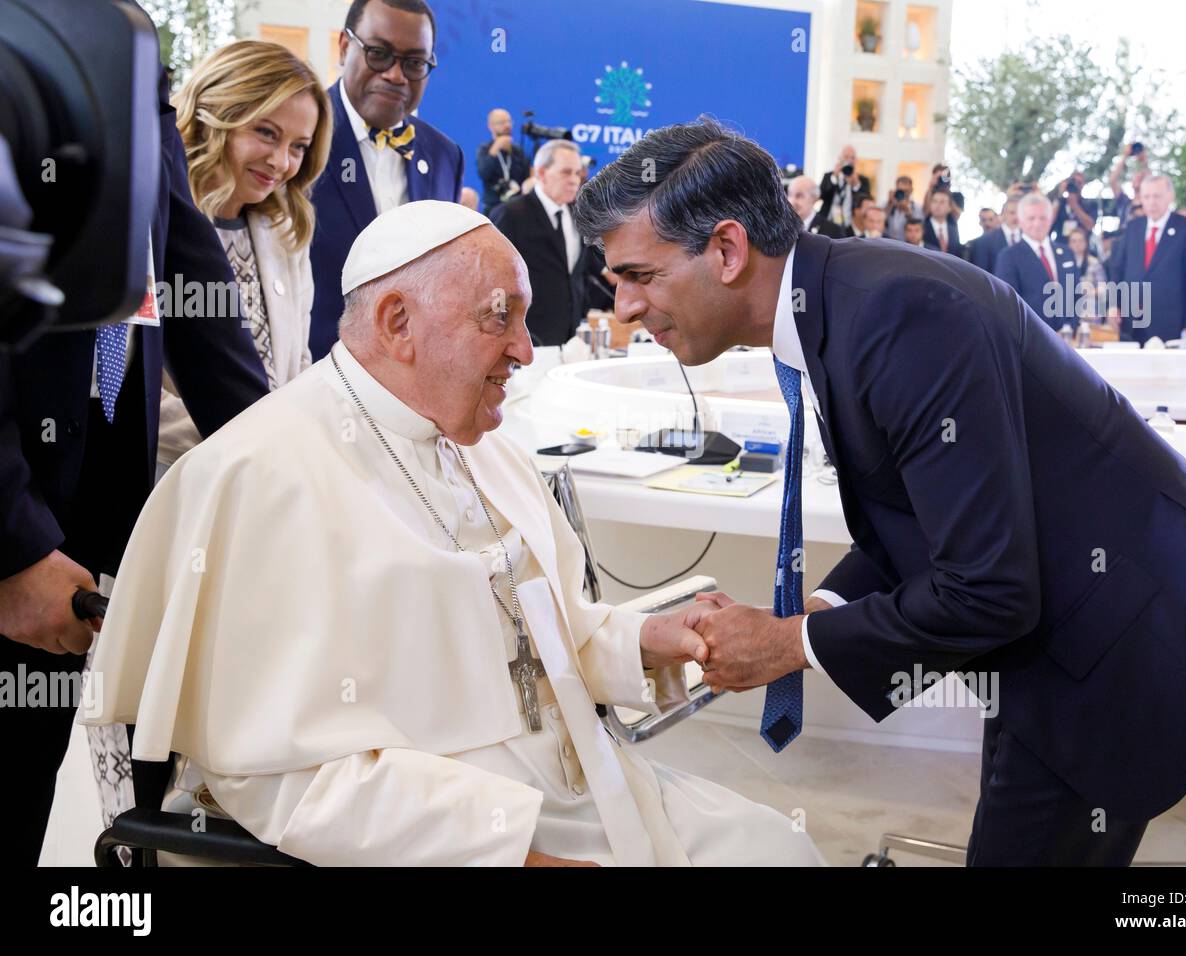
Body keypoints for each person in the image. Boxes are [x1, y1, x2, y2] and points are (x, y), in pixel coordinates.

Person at [572, 118, 1186, 867]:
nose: (623, 307)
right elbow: (926, 516)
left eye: (640, 276)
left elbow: (989, 588)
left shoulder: (895, 315)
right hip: (1061, 626)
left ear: (726, 249)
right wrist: (815, 614)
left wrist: (786, 644)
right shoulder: (843, 298)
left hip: (1112, 638)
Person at [82, 200, 826, 868]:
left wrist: (644, 641)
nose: (527, 350)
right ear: (397, 323)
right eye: (499, 318)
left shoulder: (486, 446)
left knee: (779, 848)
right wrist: (518, 859)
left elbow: (532, 635)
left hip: (579, 782)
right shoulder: (259, 476)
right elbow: (282, 781)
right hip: (446, 831)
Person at [0, 15, 270, 865]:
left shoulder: (125, 44)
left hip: (80, 512)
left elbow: (191, 279)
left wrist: (291, 467)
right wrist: (13, 551)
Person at [158, 40, 331, 468]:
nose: (281, 162)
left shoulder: (286, 232)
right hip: (176, 476)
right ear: (215, 117)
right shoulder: (155, 226)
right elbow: (132, 391)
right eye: (266, 133)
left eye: (298, 146)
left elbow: (298, 363)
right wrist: (253, 440)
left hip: (272, 474)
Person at [307, 0, 465, 361]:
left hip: (413, 384)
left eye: (414, 63)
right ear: (345, 47)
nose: (396, 75)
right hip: (313, 381)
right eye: (379, 54)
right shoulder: (301, 136)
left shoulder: (444, 155)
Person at [494, 139, 606, 346]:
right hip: (526, 336)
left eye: (577, 173)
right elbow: (495, 276)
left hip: (571, 334)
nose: (574, 180)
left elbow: (578, 267)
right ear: (542, 173)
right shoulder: (511, 214)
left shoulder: (578, 215)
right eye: (566, 172)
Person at [1111, 175, 1186, 343]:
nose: (1152, 202)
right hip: (1130, 323)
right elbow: (1118, 270)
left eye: (1157, 196)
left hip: (1170, 325)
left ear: (1170, 197)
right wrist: (1113, 305)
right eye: (1147, 197)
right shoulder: (1133, 227)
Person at [994, 192, 1077, 331]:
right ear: (1020, 221)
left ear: (1051, 219)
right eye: (1031, 218)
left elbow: (1075, 294)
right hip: (1032, 340)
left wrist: (1069, 326)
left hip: (1067, 339)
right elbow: (1008, 305)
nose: (1037, 223)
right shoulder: (1008, 257)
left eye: (1042, 218)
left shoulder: (1067, 253)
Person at [476, 108, 529, 215]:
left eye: (509, 121)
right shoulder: (485, 149)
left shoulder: (518, 151)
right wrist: (496, 148)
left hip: (517, 207)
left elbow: (527, 177)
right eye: (502, 122)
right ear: (490, 126)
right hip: (493, 207)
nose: (507, 125)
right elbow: (484, 174)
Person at [818, 145, 871, 230]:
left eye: (852, 158)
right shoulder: (829, 176)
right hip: (828, 222)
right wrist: (834, 177)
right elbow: (821, 195)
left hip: (851, 227)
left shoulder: (863, 180)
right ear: (840, 159)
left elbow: (866, 202)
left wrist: (856, 185)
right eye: (846, 157)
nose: (849, 160)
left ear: (856, 160)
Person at [967, 198, 1019, 273]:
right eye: (1012, 213)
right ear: (1002, 215)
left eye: (1019, 213)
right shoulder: (983, 241)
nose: (1016, 217)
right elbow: (981, 275)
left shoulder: (1028, 237)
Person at [1066, 226, 1107, 321]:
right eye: (1074, 241)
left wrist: (1087, 292)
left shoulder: (1094, 263)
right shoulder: (1063, 262)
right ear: (1069, 244)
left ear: (1086, 243)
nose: (1077, 244)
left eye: (1080, 241)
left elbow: (1103, 288)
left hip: (1090, 307)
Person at [1108, 144, 1148, 228]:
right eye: (1136, 176)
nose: (1138, 177)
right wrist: (1124, 156)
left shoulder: (1149, 203)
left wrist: (1144, 162)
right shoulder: (1125, 202)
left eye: (1141, 177)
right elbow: (1112, 181)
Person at [1048, 170, 1097, 238]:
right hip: (1061, 244)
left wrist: (1074, 206)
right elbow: (1049, 221)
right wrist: (1060, 195)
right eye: (1073, 182)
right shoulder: (1059, 203)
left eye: (1079, 183)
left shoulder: (1090, 204)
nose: (1076, 185)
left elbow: (1090, 225)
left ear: (1083, 184)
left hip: (1082, 244)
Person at [921, 190, 962, 257]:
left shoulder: (953, 229)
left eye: (942, 202)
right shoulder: (922, 227)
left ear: (950, 207)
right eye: (934, 201)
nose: (937, 205)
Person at [884, 175, 922, 239]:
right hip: (889, 243)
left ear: (911, 190)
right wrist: (890, 204)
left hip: (906, 245)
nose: (903, 194)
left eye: (906, 191)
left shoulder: (917, 207)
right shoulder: (888, 204)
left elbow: (918, 227)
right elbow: (880, 220)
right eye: (900, 191)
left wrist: (908, 211)